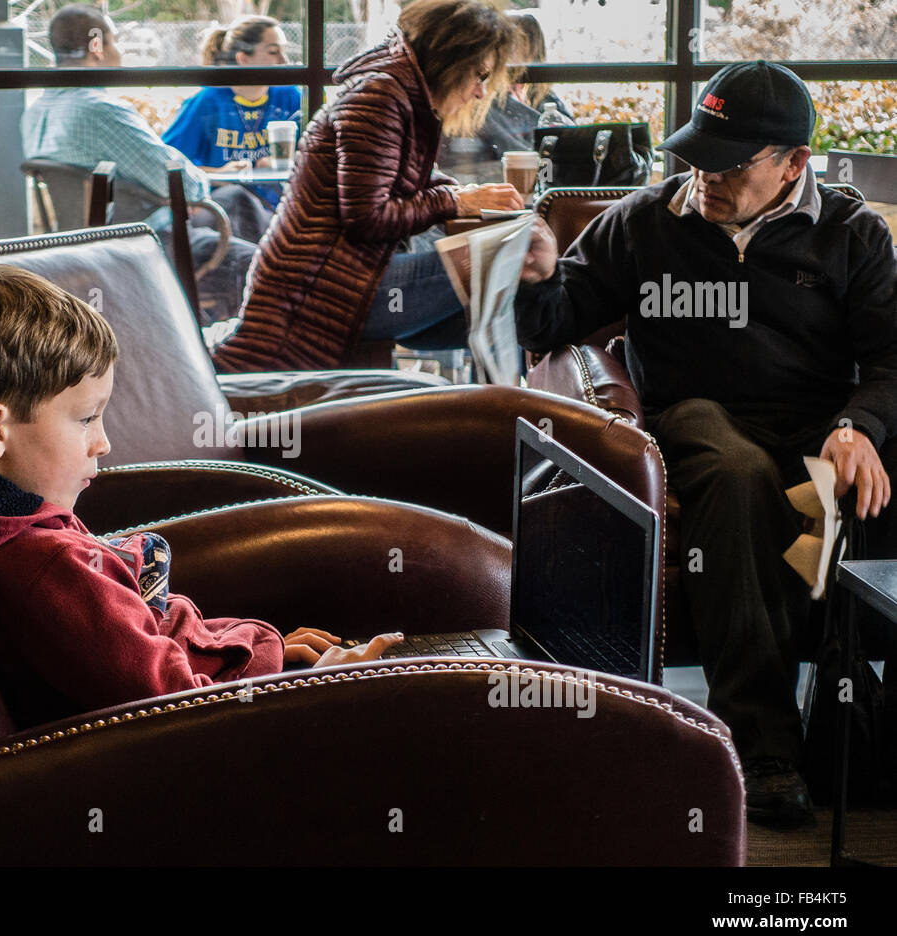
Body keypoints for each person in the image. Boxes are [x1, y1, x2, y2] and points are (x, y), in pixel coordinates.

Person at [515, 60, 897, 828]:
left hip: (818, 424)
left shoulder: (853, 236)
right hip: (697, 412)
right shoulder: (643, 221)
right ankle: (764, 748)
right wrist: (536, 278)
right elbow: (552, 329)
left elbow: (890, 359)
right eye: (695, 156)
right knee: (736, 470)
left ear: (793, 163)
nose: (703, 177)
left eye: (726, 163)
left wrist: (860, 428)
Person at [0, 263, 403, 727]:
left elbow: (145, 650)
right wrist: (313, 687)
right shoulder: (45, 572)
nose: (104, 442)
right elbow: (178, 709)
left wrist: (258, 652)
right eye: (86, 418)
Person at [213, 0, 524, 373]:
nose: (478, 92)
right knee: (508, 263)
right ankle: (503, 408)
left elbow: (403, 180)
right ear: (449, 60)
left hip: (344, 280)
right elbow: (368, 217)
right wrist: (454, 202)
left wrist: (458, 195)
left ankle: (493, 409)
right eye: (478, 74)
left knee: (511, 300)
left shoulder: (395, 91)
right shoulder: (380, 98)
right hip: (325, 292)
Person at [20, 4, 259, 320]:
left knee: (235, 199)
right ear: (96, 46)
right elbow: (184, 185)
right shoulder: (102, 111)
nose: (119, 51)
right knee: (258, 260)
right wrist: (190, 192)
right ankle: (232, 333)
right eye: (114, 40)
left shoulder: (36, 111)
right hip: (142, 241)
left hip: (82, 243)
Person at [161, 15, 301, 224]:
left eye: (283, 50)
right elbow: (166, 164)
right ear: (243, 59)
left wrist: (284, 164)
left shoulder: (290, 95)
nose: (283, 60)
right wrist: (219, 173)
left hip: (280, 209)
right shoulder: (206, 102)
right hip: (226, 213)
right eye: (273, 52)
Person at [440, 12, 574, 183]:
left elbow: (569, 148)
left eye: (510, 47)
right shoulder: (482, 100)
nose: (502, 55)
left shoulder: (544, 98)